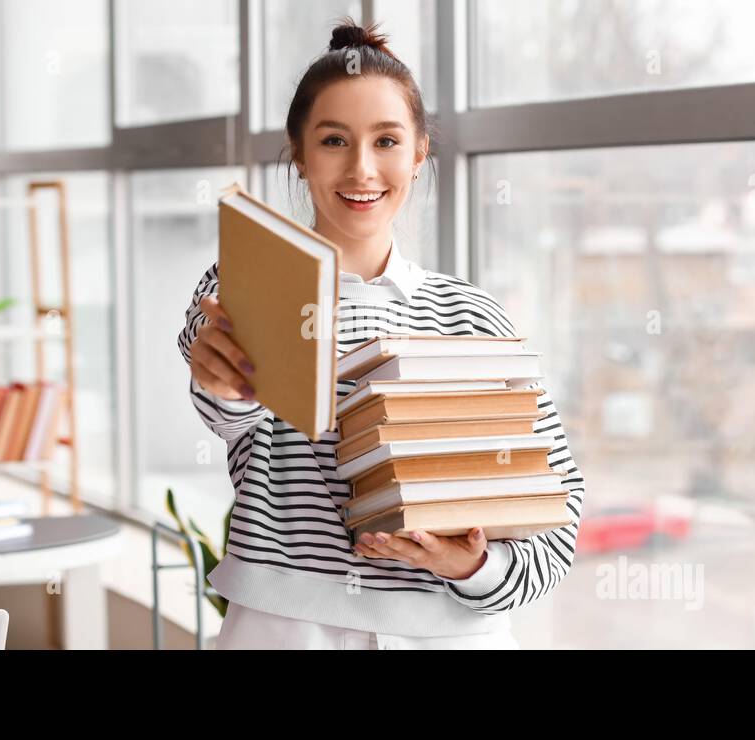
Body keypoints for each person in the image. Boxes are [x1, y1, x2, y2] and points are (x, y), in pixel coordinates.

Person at [178, 19, 586, 650]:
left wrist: (470, 567)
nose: (362, 169)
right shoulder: (243, 280)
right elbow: (231, 420)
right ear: (299, 152)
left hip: (453, 635)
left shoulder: (473, 317)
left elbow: (555, 512)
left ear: (419, 154)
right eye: (334, 140)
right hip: (287, 628)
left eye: (387, 140)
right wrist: (226, 383)